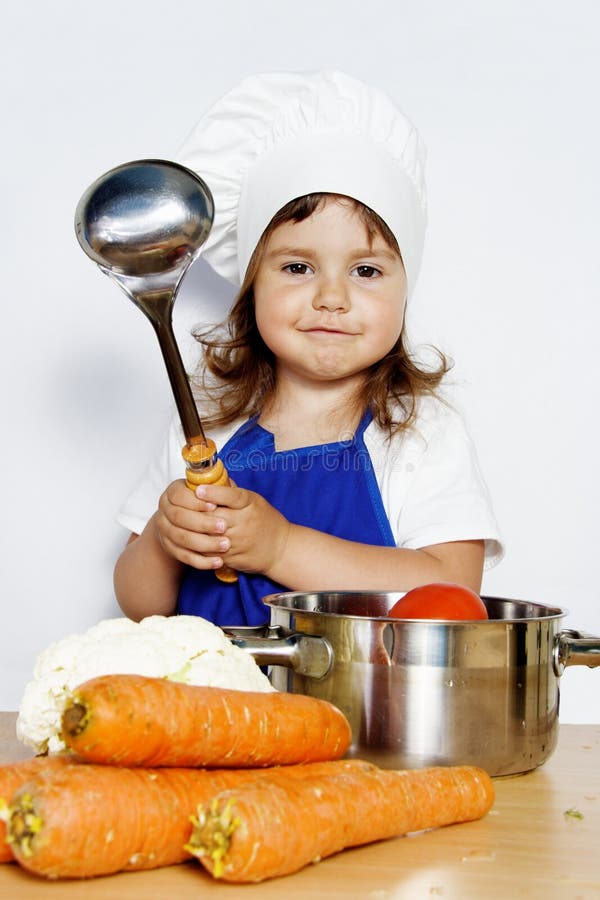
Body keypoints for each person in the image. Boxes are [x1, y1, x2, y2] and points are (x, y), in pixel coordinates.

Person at [113, 69, 503, 626]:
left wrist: (280, 548)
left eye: (366, 270)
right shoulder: (203, 425)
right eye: (298, 266)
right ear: (253, 285)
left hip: (365, 708)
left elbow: (453, 588)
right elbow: (139, 604)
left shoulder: (419, 432)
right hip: (214, 708)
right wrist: (162, 536)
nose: (332, 297)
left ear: (404, 289)